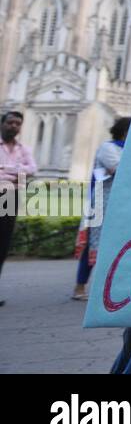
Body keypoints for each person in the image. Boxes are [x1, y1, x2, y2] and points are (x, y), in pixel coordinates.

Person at [72, 116, 130, 301]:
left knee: (120, 246)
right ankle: (80, 287)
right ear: (125, 131)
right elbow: (118, 169)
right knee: (93, 244)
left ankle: (110, 290)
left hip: (122, 205)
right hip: (102, 204)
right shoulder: (109, 147)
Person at [0, 110, 37, 307]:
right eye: (10, 123)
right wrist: (16, 172)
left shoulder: (23, 149)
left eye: (17, 124)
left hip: (10, 197)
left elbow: (32, 169)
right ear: (2, 123)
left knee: (2, 246)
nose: (14, 126)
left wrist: (7, 171)